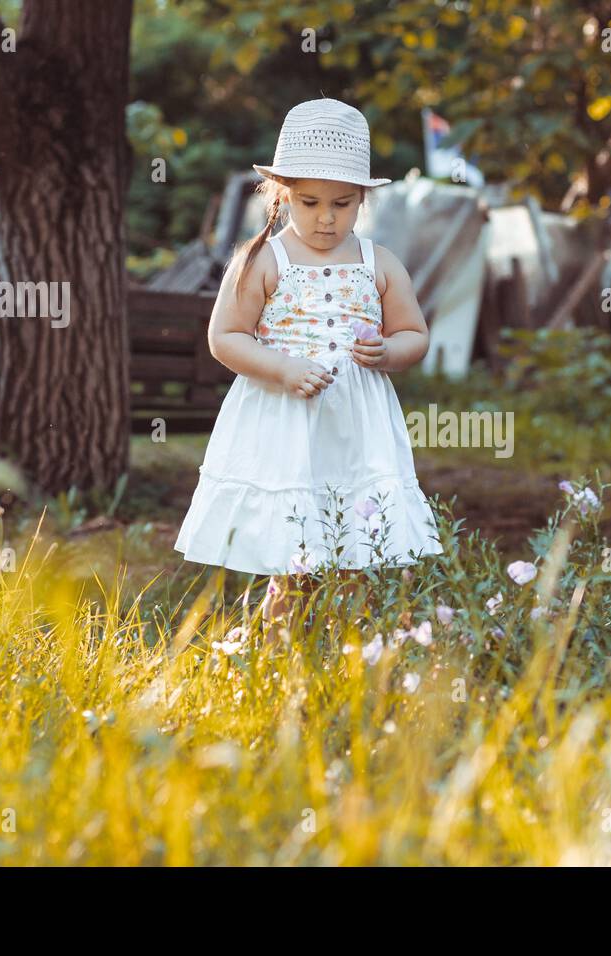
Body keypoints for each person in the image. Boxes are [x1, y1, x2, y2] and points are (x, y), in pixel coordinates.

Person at [174, 97, 443, 627]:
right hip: (288, 420)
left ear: (362, 199)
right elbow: (225, 336)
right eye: (310, 202)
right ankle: (277, 649)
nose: (325, 218)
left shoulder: (379, 263)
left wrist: (390, 352)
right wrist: (283, 368)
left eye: (342, 204)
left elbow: (415, 334)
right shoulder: (264, 259)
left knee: (358, 549)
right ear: (282, 193)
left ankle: (353, 648)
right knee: (297, 551)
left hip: (356, 427)